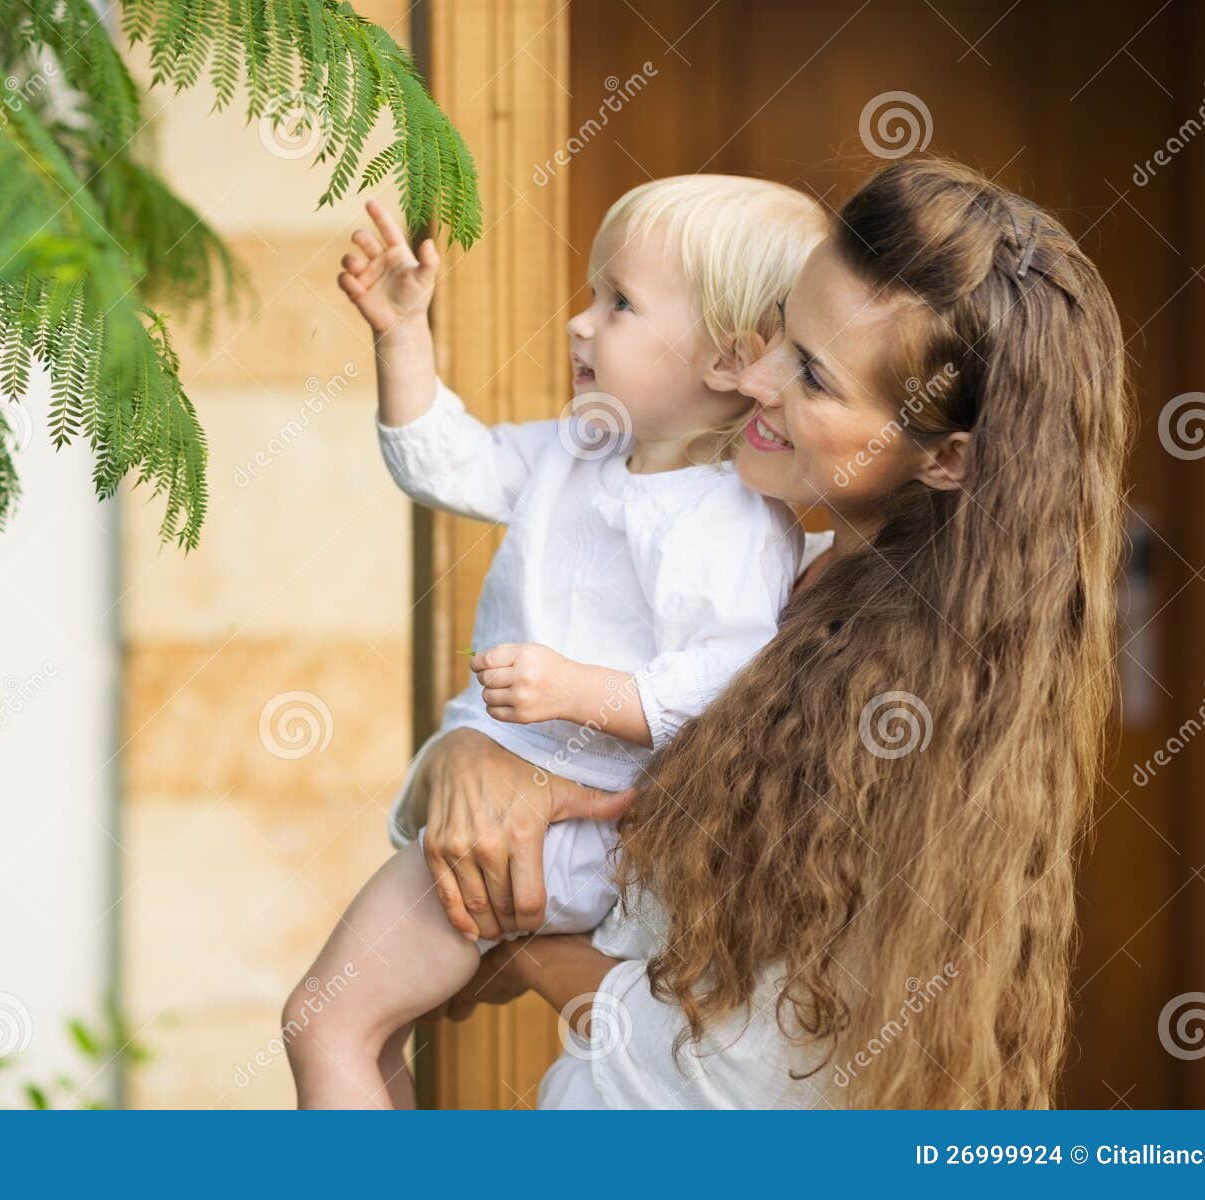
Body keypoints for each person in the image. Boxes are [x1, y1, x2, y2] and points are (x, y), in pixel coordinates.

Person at [402, 156, 1132, 1109]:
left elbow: (741, 1076)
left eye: (815, 378)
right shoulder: (757, 572)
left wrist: (523, 933)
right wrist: (464, 758)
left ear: (946, 458)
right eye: (779, 334)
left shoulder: (899, 706)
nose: (753, 379)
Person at [285, 178, 830, 1108]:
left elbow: (725, 686)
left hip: (573, 829)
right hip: (507, 803)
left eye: (620, 303)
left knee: (324, 1021)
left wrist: (580, 691)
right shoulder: (584, 445)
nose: (581, 324)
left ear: (730, 356)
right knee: (361, 1032)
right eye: (592, 294)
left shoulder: (733, 518)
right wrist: (401, 336)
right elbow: (446, 461)